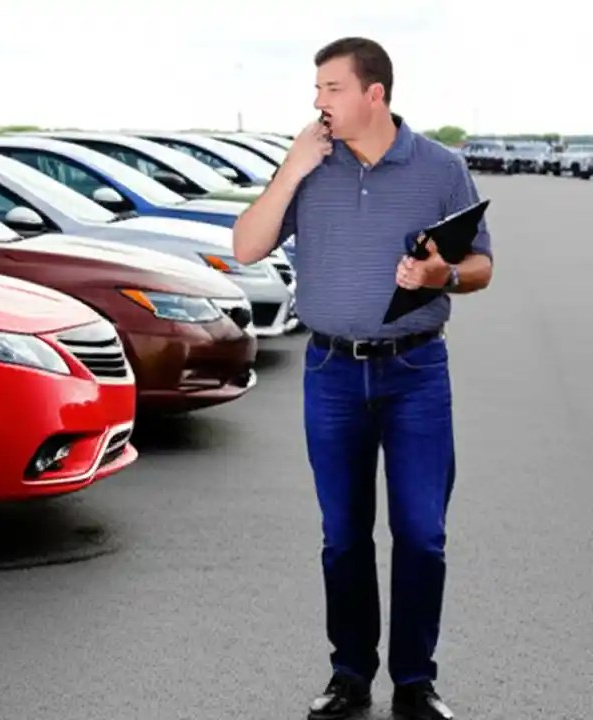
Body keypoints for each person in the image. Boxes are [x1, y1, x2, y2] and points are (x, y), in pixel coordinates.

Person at [232, 37, 493, 720]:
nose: (318, 101)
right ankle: (350, 675)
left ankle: (415, 683)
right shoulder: (310, 167)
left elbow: (483, 267)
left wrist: (444, 275)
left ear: (373, 94)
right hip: (330, 372)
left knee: (421, 533)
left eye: (331, 88)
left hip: (415, 372)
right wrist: (291, 168)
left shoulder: (440, 167)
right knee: (343, 535)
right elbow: (245, 246)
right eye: (318, 89)